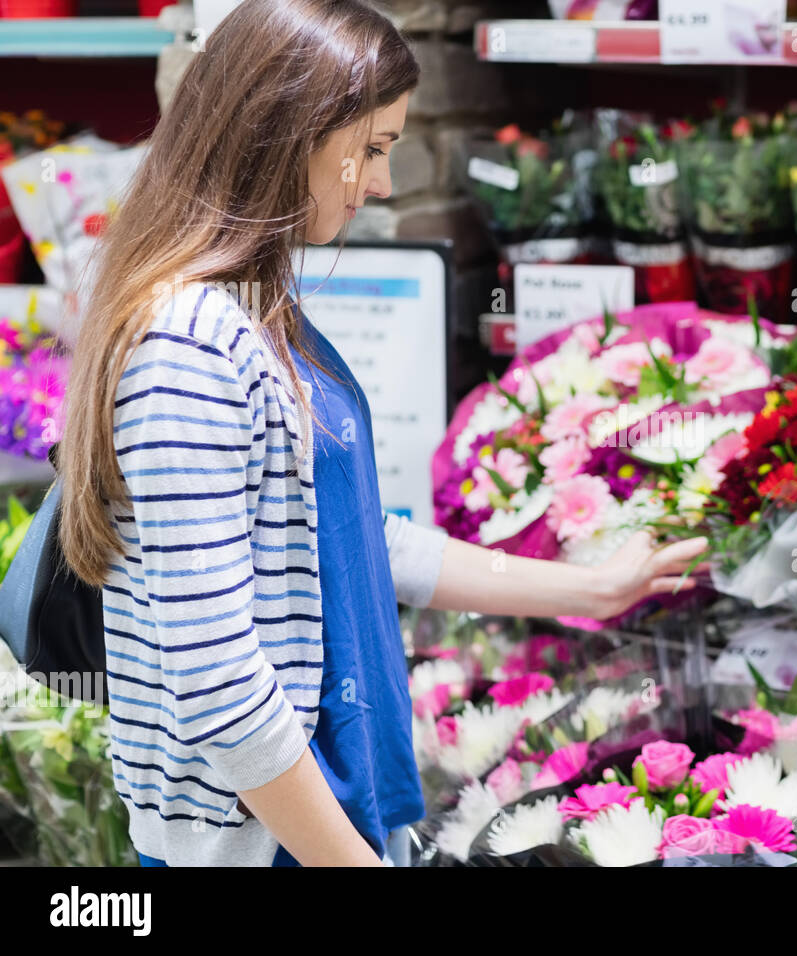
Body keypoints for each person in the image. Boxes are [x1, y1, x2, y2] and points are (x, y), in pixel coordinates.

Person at [56, 0, 708, 867]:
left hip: (309, 820)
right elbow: (216, 681)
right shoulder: (188, 349)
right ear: (284, 130)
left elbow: (354, 539)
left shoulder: (252, 313)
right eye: (368, 148)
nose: (382, 183)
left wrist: (590, 589)